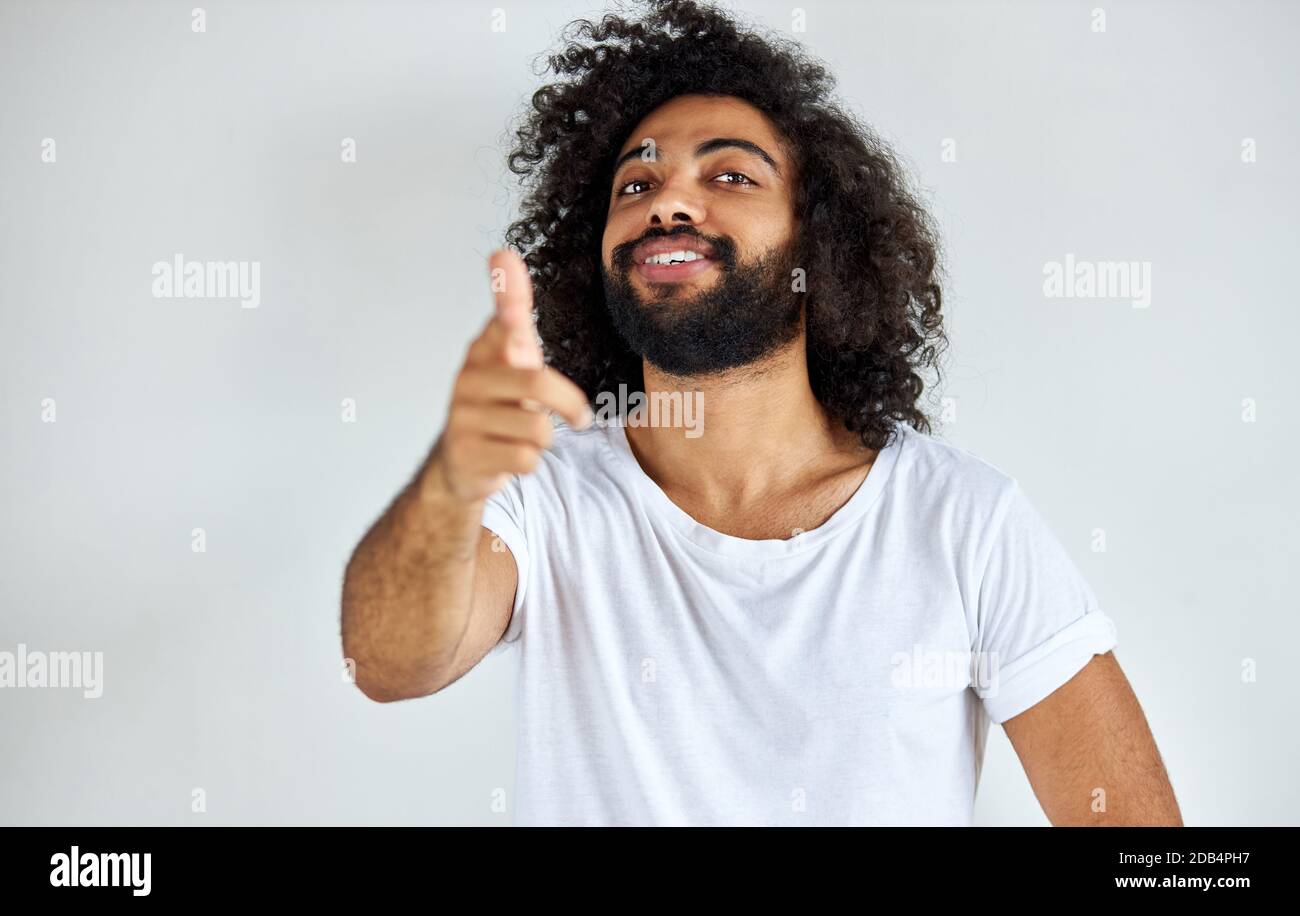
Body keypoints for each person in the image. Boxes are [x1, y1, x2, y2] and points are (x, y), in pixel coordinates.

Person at [341, 0, 1181, 826]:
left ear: (819, 244)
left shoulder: (963, 521)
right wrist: (450, 482)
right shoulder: (541, 498)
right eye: (636, 182)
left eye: (729, 174)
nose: (667, 203)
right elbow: (386, 663)